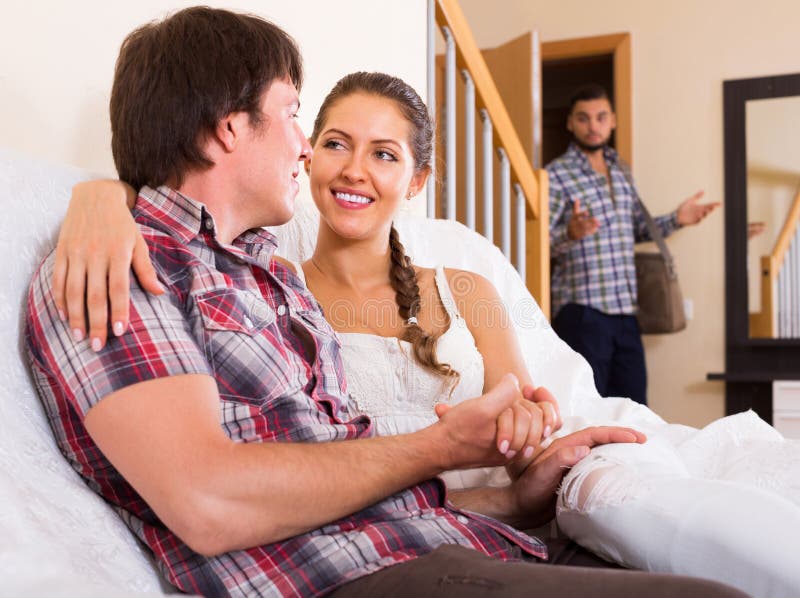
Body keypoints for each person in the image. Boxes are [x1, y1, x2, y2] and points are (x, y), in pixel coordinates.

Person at [25, 8, 746, 598]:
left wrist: (520, 496)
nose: (310, 149)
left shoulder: (264, 274)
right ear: (227, 127)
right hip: (364, 576)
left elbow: (352, 480)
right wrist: (103, 196)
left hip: (450, 539)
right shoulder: (122, 263)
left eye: (385, 154)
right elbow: (209, 501)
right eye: (299, 118)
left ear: (418, 178)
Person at [546, 84, 719, 405]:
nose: (593, 126)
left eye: (600, 117)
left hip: (626, 313)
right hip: (583, 312)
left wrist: (677, 219)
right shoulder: (555, 175)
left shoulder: (622, 170)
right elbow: (537, 242)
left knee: (634, 411)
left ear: (612, 121)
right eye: (583, 118)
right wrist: (570, 233)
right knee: (585, 410)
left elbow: (635, 231)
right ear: (570, 123)